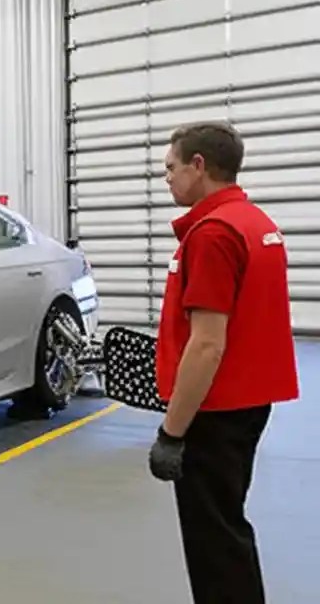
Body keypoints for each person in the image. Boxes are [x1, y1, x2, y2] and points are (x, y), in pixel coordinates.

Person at [149, 120, 300, 603]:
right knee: (227, 527)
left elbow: (207, 344)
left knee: (213, 542)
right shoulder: (257, 224)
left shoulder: (212, 235)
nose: (166, 178)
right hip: (248, 404)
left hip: (213, 413)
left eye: (171, 168)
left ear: (199, 166)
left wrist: (172, 432)